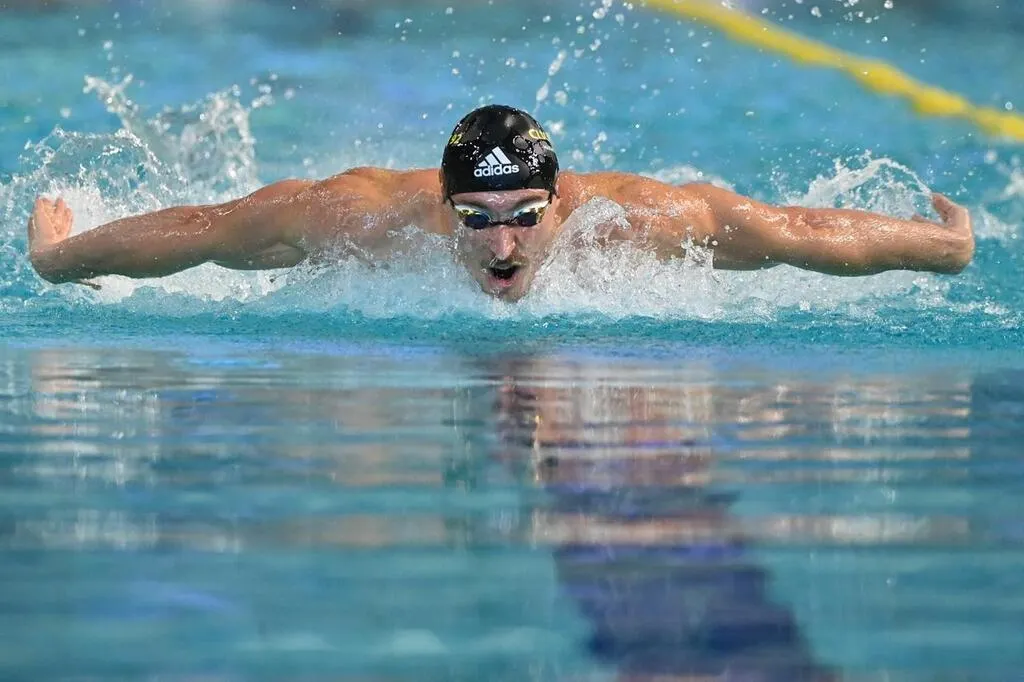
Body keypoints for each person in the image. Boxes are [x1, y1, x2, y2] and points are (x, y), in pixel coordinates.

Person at [27, 104, 974, 301]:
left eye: (525, 211)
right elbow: (207, 230)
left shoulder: (639, 222)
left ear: (560, 203)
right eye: (477, 219)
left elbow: (798, 231)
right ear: (443, 208)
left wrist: (946, 248)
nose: (503, 242)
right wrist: (59, 258)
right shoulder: (359, 218)